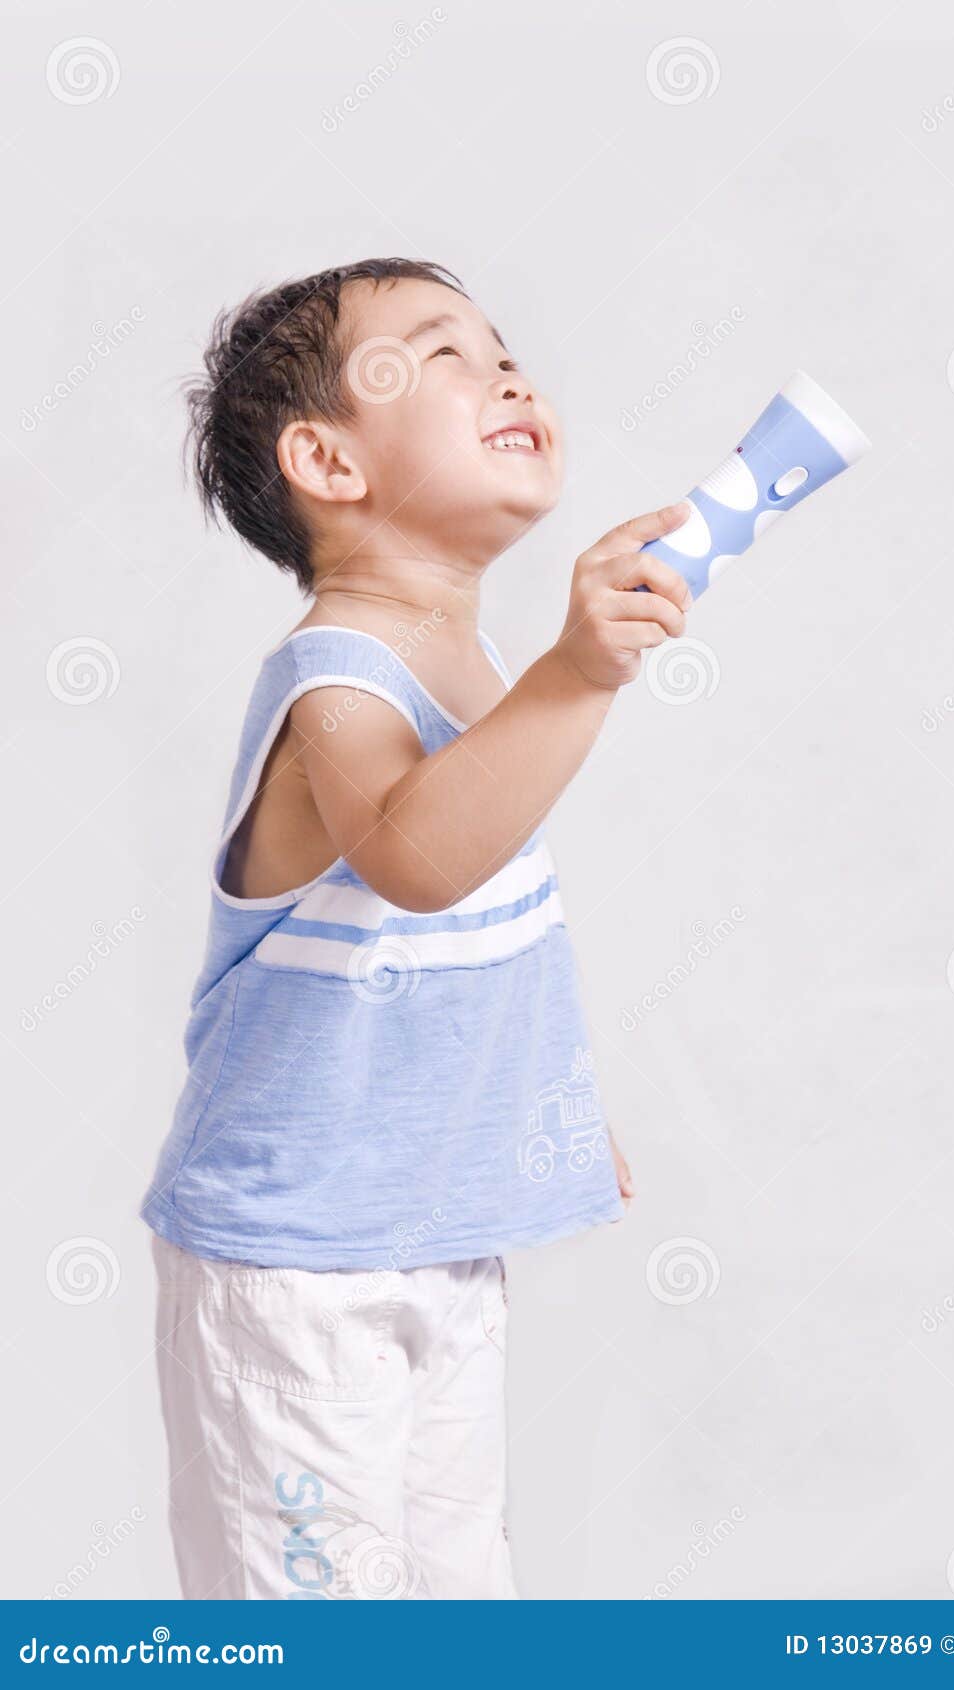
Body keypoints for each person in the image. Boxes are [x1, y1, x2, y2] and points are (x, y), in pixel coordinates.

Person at [140, 257, 691, 1599]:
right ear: (327, 461)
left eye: (505, 350)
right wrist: (579, 673)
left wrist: (536, 1099)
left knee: (459, 1603)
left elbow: (485, 930)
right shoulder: (333, 676)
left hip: (439, 1235)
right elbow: (419, 860)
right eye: (445, 355)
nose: (507, 373)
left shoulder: (479, 671)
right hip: (295, 1271)